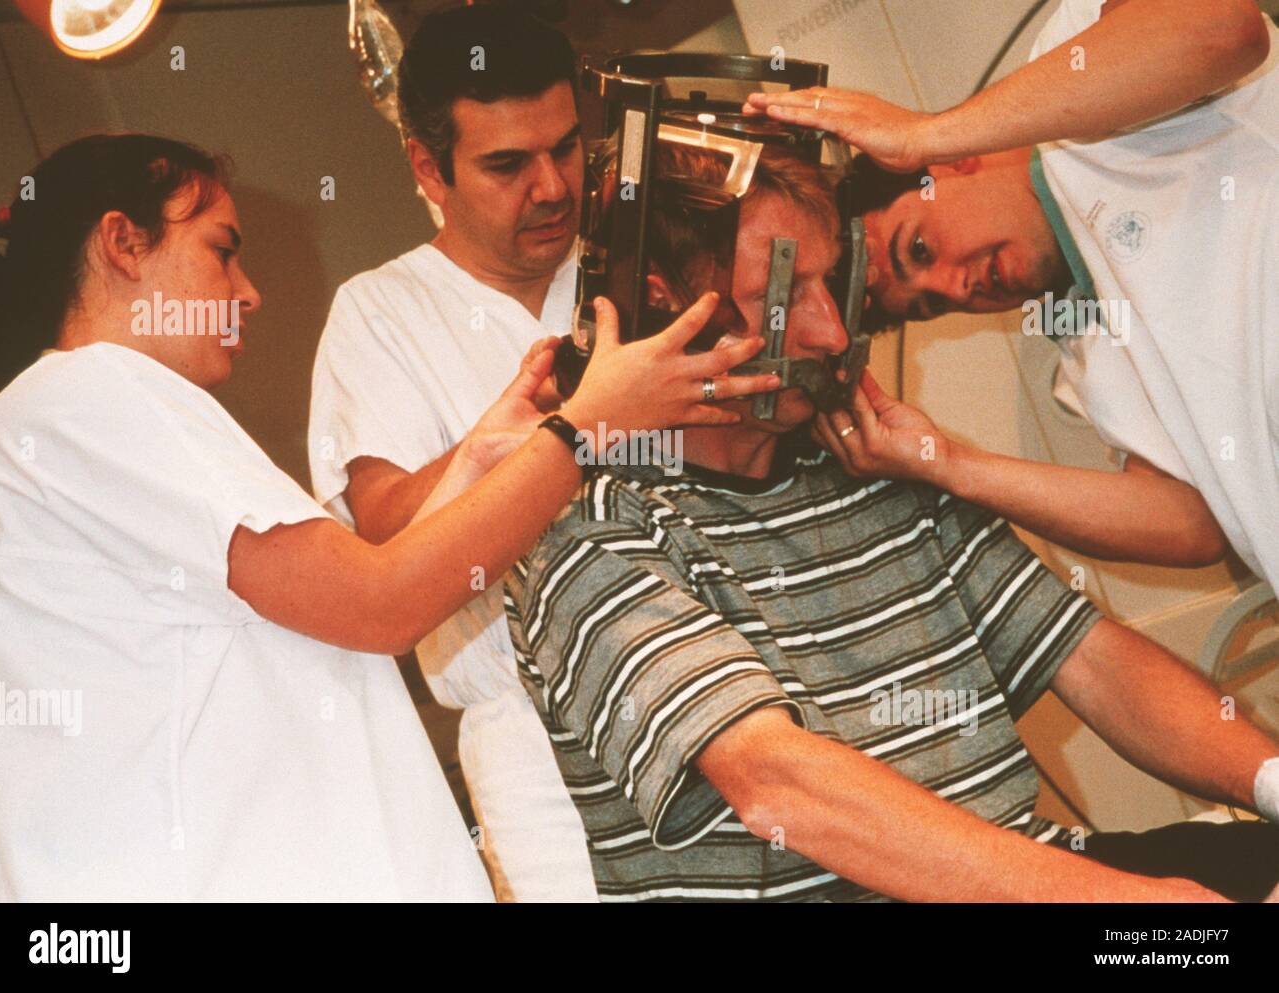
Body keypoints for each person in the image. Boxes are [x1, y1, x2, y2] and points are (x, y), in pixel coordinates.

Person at [0, 132, 774, 901]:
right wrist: (583, 429)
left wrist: (480, 458)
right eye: (223, 248)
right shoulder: (93, 395)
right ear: (123, 242)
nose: (248, 290)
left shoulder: (46, 429)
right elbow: (377, 604)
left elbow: (322, 609)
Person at [503, 142, 1279, 902]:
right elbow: (780, 786)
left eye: (828, 283)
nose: (833, 334)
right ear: (665, 299)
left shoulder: (866, 469)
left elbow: (1093, 662)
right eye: (783, 296)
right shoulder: (586, 530)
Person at [744, 0, 1278, 586]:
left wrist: (928, 132)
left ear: (943, 166)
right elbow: (1199, 526)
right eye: (933, 304)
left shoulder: (1081, 89)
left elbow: (1221, 28)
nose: (955, 286)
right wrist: (948, 464)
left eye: (918, 249)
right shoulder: (1090, 366)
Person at [308, 5, 591, 900]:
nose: (550, 187)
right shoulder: (380, 312)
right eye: (507, 165)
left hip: (732, 689)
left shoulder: (639, 261)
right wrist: (508, 445)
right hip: (538, 747)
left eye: (567, 148)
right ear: (428, 167)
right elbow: (381, 534)